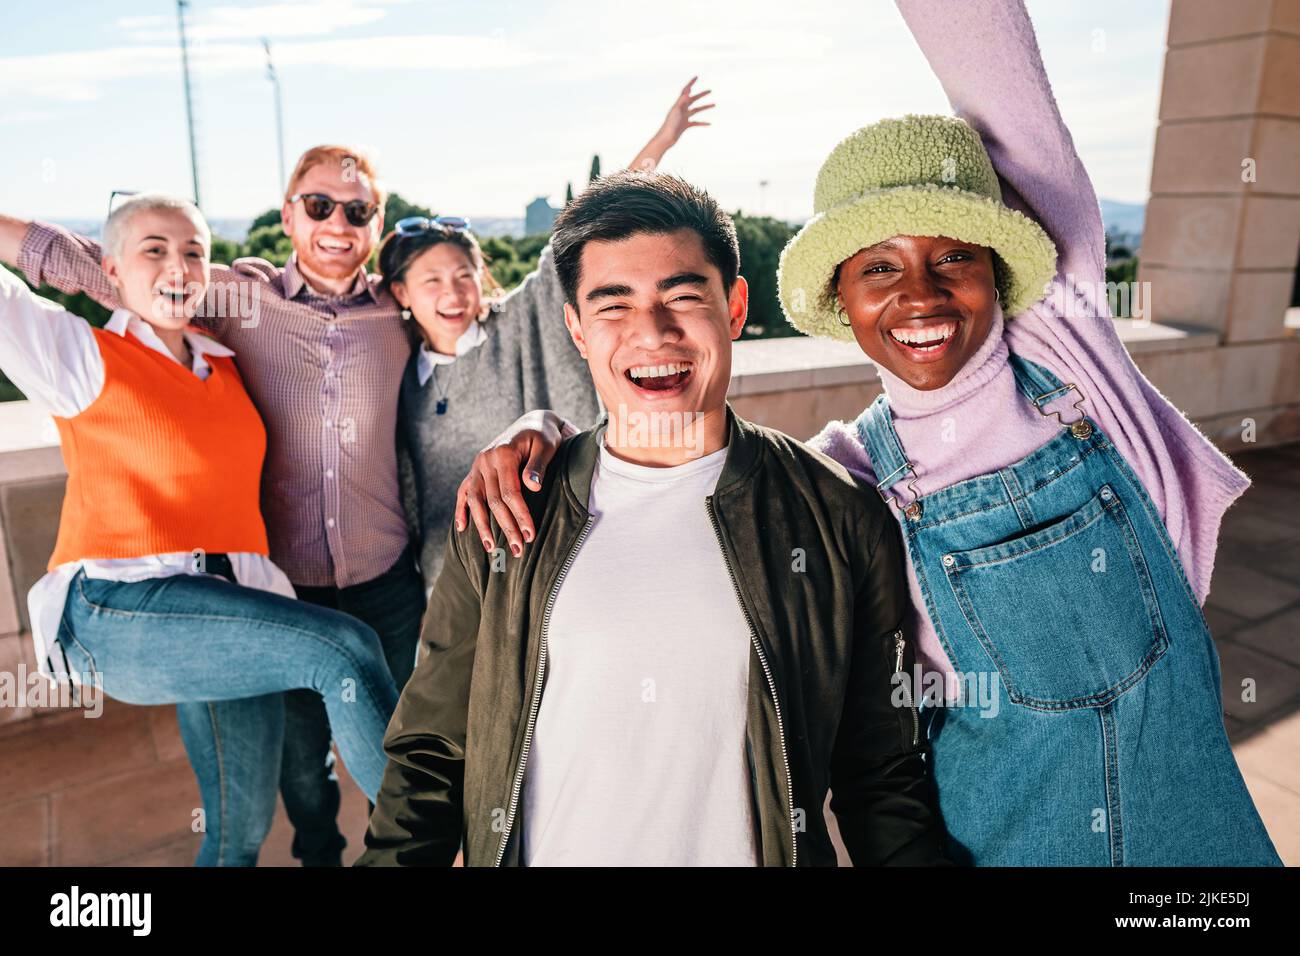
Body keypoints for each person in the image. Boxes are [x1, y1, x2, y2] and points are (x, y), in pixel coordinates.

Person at [448, 0, 1282, 866]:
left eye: (954, 256)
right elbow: (678, 462)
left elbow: (998, 70)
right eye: (878, 268)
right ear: (840, 302)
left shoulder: (1080, 374)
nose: (919, 296)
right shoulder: (845, 479)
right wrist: (544, 431)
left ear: (1000, 269)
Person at [355, 171, 951, 867]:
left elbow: (881, 775)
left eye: (682, 296)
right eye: (614, 306)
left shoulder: (838, 516)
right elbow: (430, 757)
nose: (653, 332)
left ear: (733, 306)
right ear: (575, 329)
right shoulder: (507, 510)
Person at [0, 145, 422, 866]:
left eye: (193, 253)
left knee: (234, 834)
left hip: (225, 611)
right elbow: (34, 277)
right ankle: (437, 845)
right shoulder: (83, 360)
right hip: (120, 608)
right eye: (153, 251)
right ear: (110, 271)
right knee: (342, 652)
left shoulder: (223, 362)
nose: (178, 268)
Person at [383, 78, 712, 590]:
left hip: (552, 567)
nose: (453, 293)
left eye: (464, 276)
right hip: (449, 583)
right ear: (402, 293)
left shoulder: (518, 323)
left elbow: (588, 229)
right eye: (432, 281)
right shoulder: (403, 375)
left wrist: (662, 140)